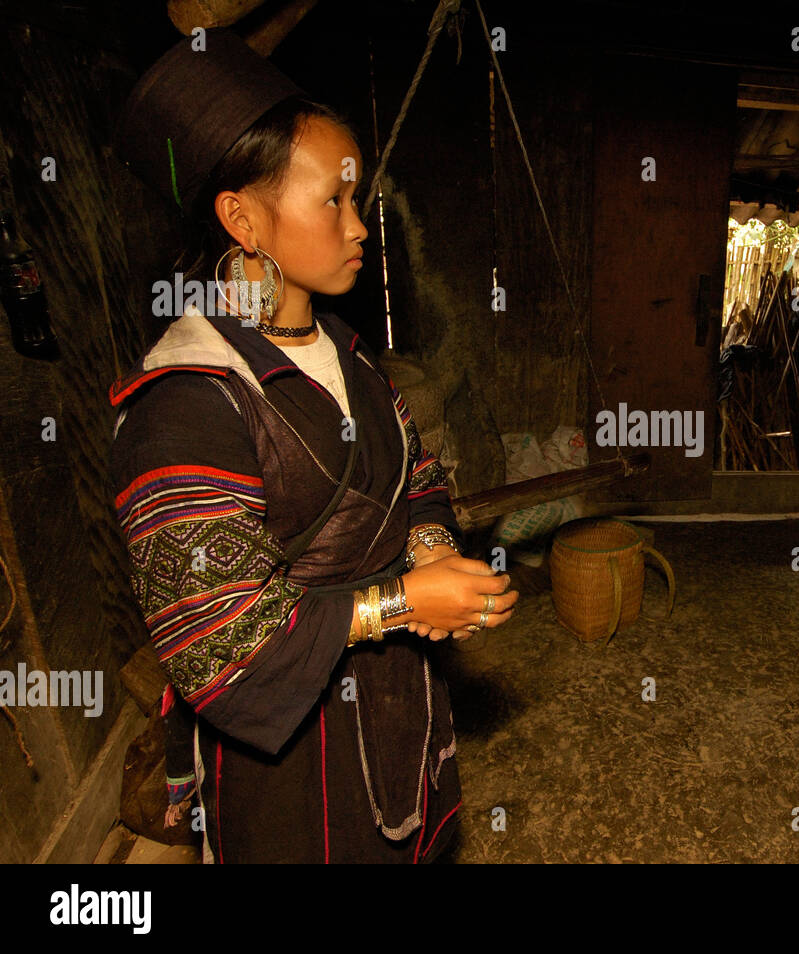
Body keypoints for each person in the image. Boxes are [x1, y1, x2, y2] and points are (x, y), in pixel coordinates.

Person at [109, 29, 518, 862]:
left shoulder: (350, 355)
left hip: (401, 710)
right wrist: (405, 603)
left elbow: (417, 475)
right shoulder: (185, 402)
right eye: (332, 200)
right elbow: (225, 649)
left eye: (356, 198)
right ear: (244, 217)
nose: (359, 225)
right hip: (292, 762)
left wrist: (436, 553)